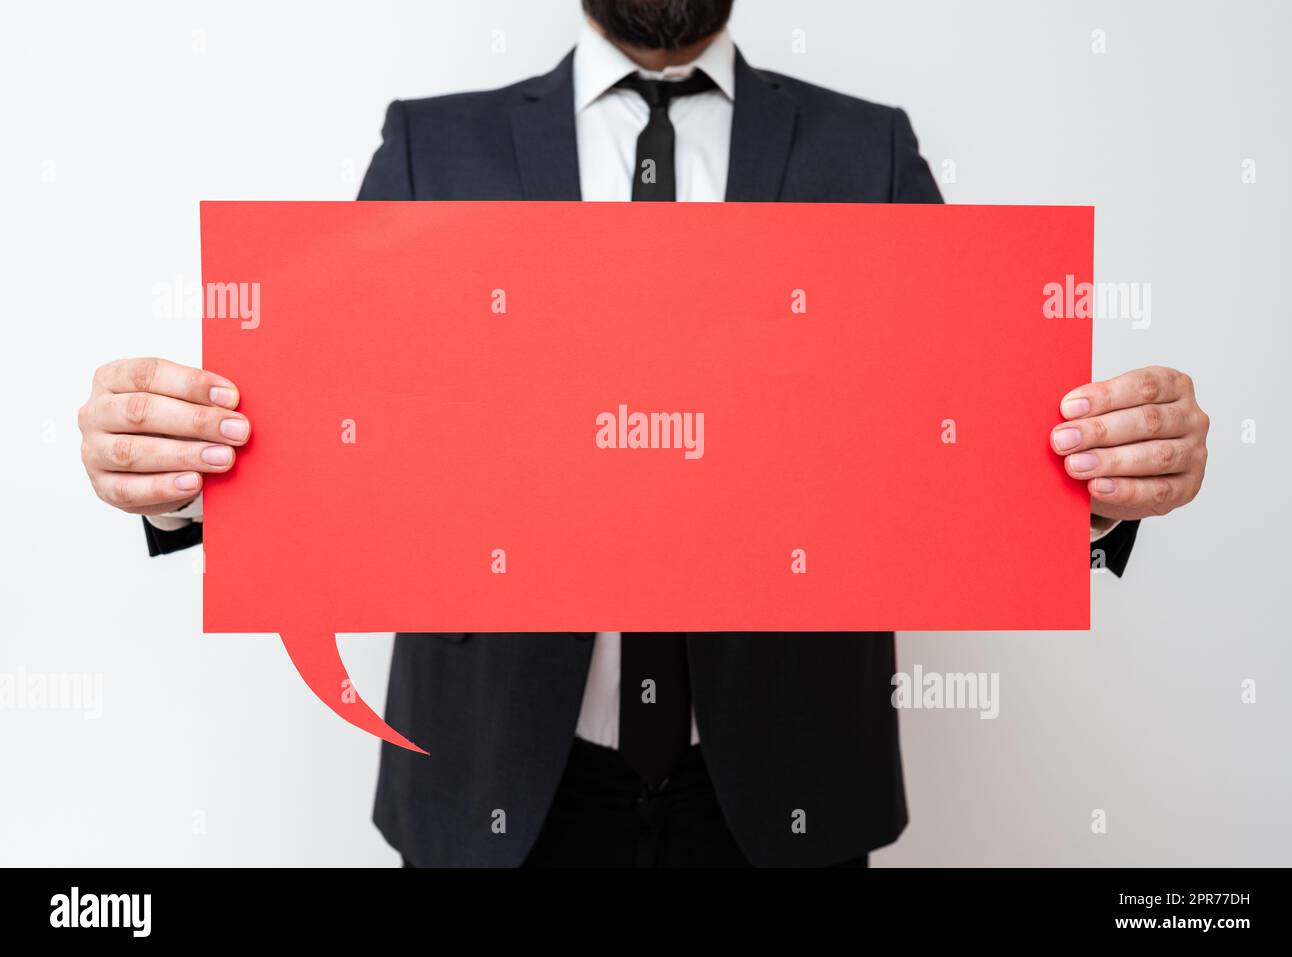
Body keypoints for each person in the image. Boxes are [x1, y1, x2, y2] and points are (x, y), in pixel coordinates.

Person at [76, 0, 1210, 867]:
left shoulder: (866, 150)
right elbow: (339, 447)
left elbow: (956, 446)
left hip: (786, 778)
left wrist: (1102, 484)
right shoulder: (433, 146)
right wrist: (178, 477)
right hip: (493, 778)